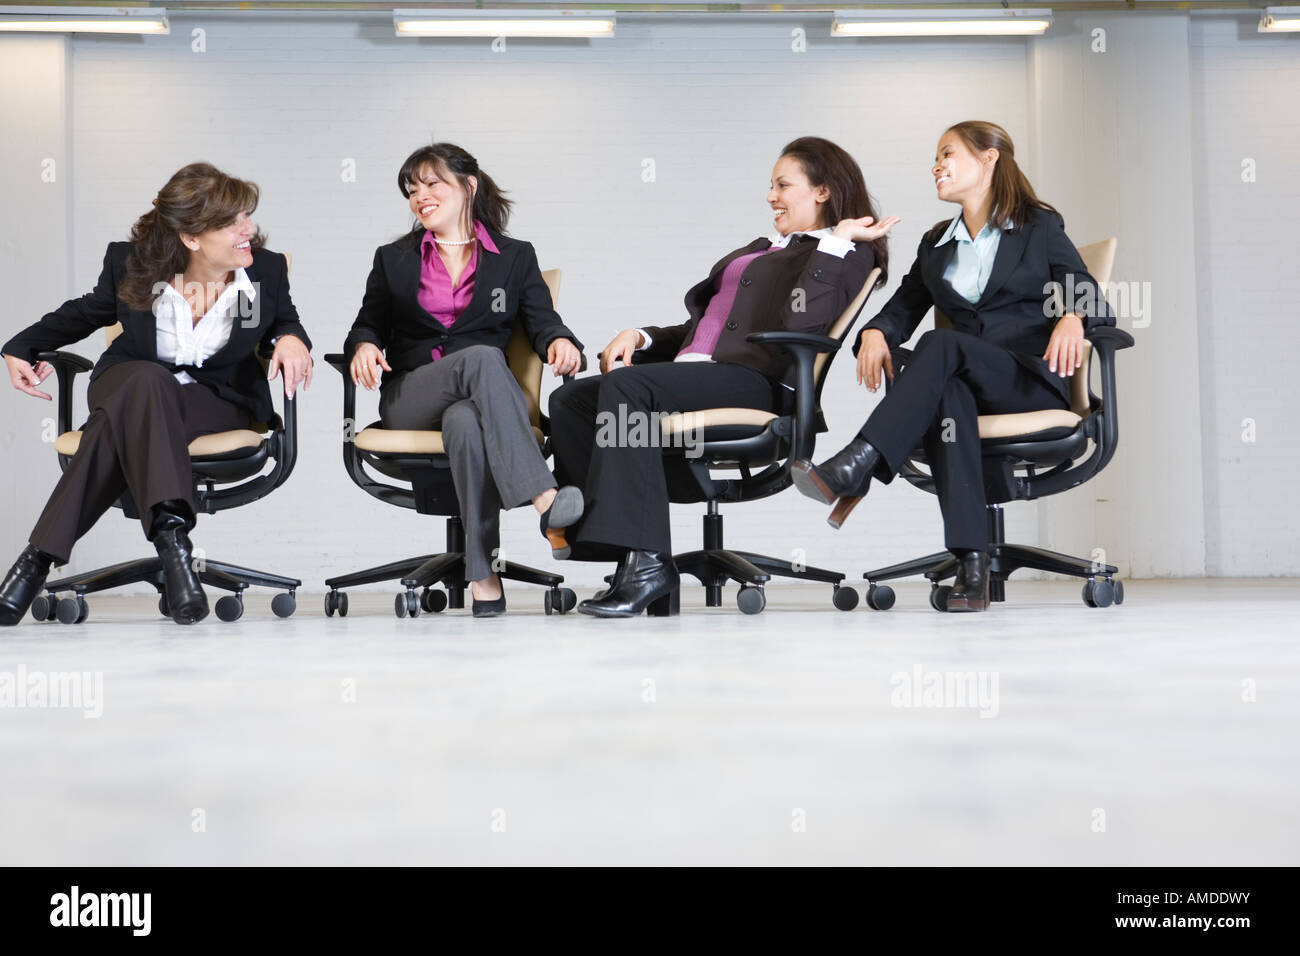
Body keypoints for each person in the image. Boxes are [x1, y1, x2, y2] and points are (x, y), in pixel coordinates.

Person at [549, 136, 896, 618]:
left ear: (821, 191)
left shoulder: (843, 254)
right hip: (695, 376)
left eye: (782, 185)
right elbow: (700, 331)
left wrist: (834, 242)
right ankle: (607, 544)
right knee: (573, 402)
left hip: (754, 382)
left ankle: (648, 565)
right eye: (770, 186)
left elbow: (802, 327)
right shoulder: (762, 249)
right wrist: (643, 336)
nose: (771, 196)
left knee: (625, 387)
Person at [790, 121, 1115, 612]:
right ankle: (973, 567)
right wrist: (875, 331)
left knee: (940, 347)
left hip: (1025, 380)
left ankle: (860, 462)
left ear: (989, 160)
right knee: (947, 397)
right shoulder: (936, 243)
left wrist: (1072, 315)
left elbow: (1085, 288)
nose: (936, 166)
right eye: (934, 158)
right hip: (961, 383)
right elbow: (901, 307)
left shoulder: (1038, 226)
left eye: (948, 154)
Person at [0, 162, 312, 626]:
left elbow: (283, 318)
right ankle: (173, 542)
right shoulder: (133, 263)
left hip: (214, 397)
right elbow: (86, 313)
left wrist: (291, 338)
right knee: (148, 379)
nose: (248, 229)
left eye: (246, 215)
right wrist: (18, 347)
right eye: (232, 222)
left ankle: (37, 559)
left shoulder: (261, 271)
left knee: (113, 427)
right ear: (191, 237)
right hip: (129, 380)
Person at [343, 143, 585, 618]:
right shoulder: (393, 258)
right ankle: (544, 497)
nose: (420, 196)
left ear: (468, 185)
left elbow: (542, 320)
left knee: (465, 422)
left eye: (433, 183)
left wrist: (561, 341)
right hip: (411, 394)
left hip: (477, 403)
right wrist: (365, 345)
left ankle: (481, 574)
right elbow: (367, 322)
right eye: (412, 189)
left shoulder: (513, 257)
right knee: (480, 358)